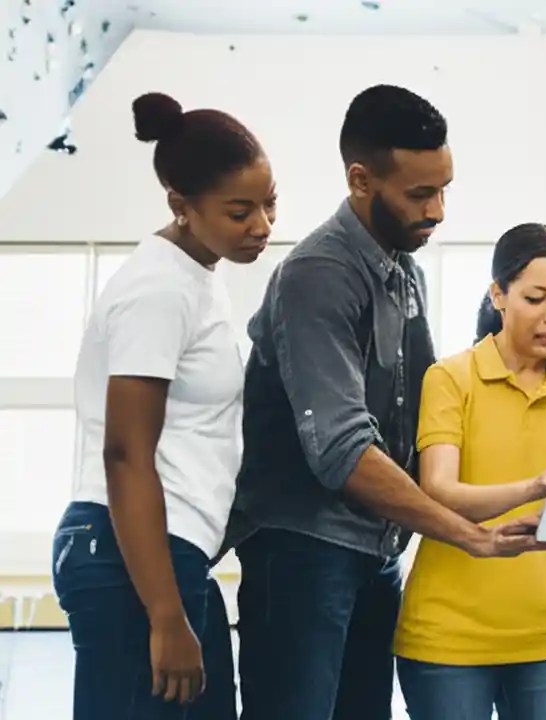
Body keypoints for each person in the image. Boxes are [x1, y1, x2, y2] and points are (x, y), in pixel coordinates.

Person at [226, 85, 546, 720]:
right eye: (420, 194)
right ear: (360, 179)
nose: (439, 210)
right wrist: (468, 535)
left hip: (374, 552)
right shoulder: (318, 274)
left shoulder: (406, 272)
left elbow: (430, 410)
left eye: (444, 189)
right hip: (303, 552)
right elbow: (342, 450)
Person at [53, 92, 274, 719]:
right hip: (129, 552)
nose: (262, 225)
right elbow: (125, 453)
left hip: (168, 552)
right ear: (181, 206)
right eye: (239, 212)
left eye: (269, 202)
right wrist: (165, 614)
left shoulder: (196, 278)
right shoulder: (158, 290)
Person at [394, 223, 546, 720]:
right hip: (447, 638)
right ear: (498, 294)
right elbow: (438, 490)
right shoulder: (450, 378)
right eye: (535, 298)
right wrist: (534, 487)